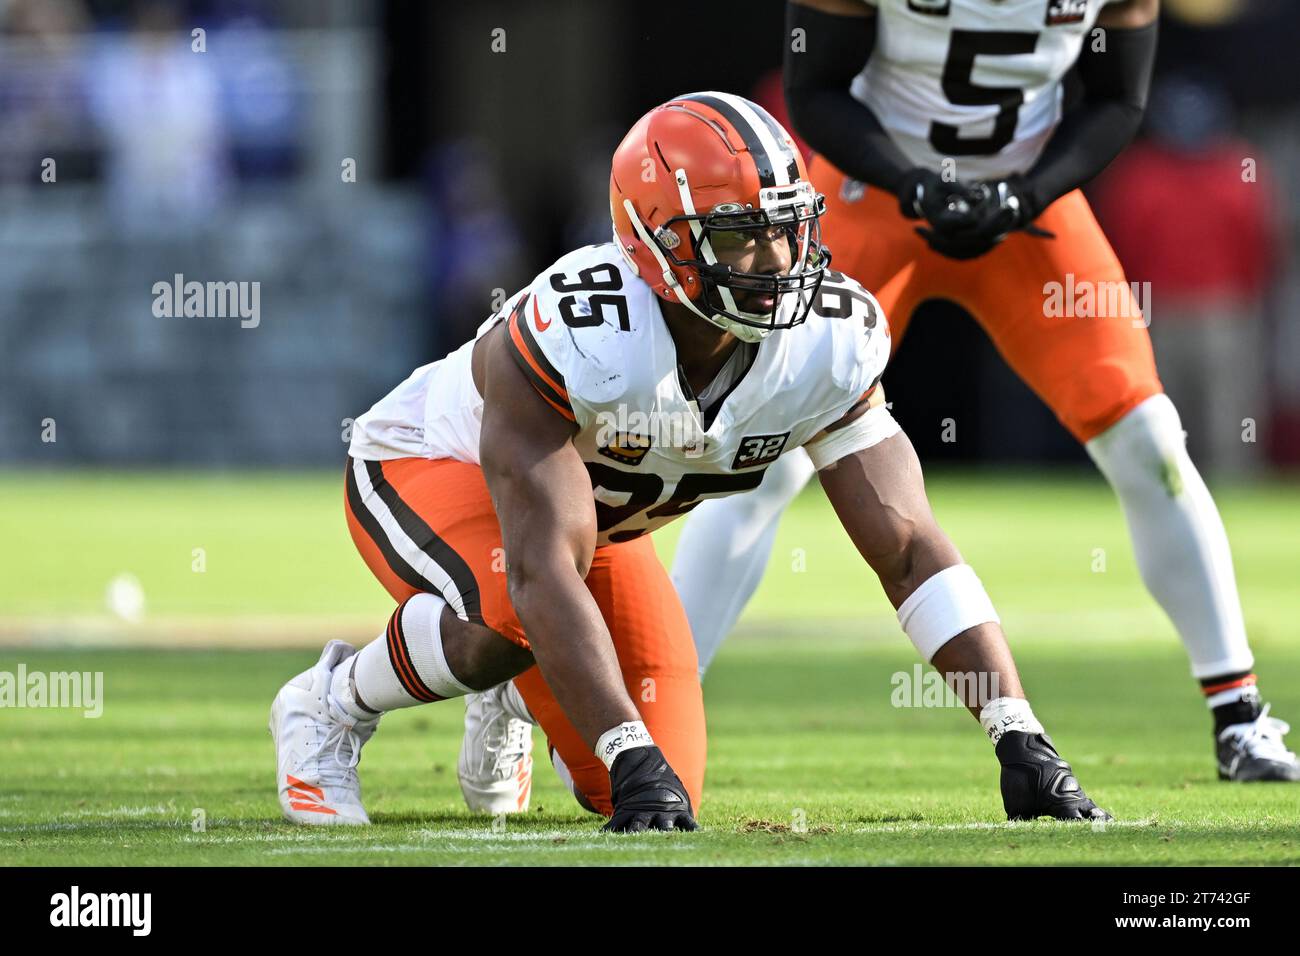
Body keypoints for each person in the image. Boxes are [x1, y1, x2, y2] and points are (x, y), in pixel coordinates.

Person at [271, 92, 1108, 829]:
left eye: (789, 231)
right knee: (516, 626)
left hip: (589, 525)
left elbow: (909, 548)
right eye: (742, 239)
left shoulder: (830, 342)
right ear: (651, 241)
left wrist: (1018, 734)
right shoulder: (586, 332)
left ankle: (510, 692)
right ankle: (331, 703)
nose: (778, 264)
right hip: (426, 466)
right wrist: (624, 742)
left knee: (660, 791)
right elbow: (539, 574)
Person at [664, 0, 1297, 782]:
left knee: (1150, 440)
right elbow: (817, 90)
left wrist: (1027, 194)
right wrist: (912, 182)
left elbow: (1116, 99)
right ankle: (662, 705)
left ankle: (1240, 718)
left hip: (1028, 210)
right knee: (765, 459)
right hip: (875, 194)